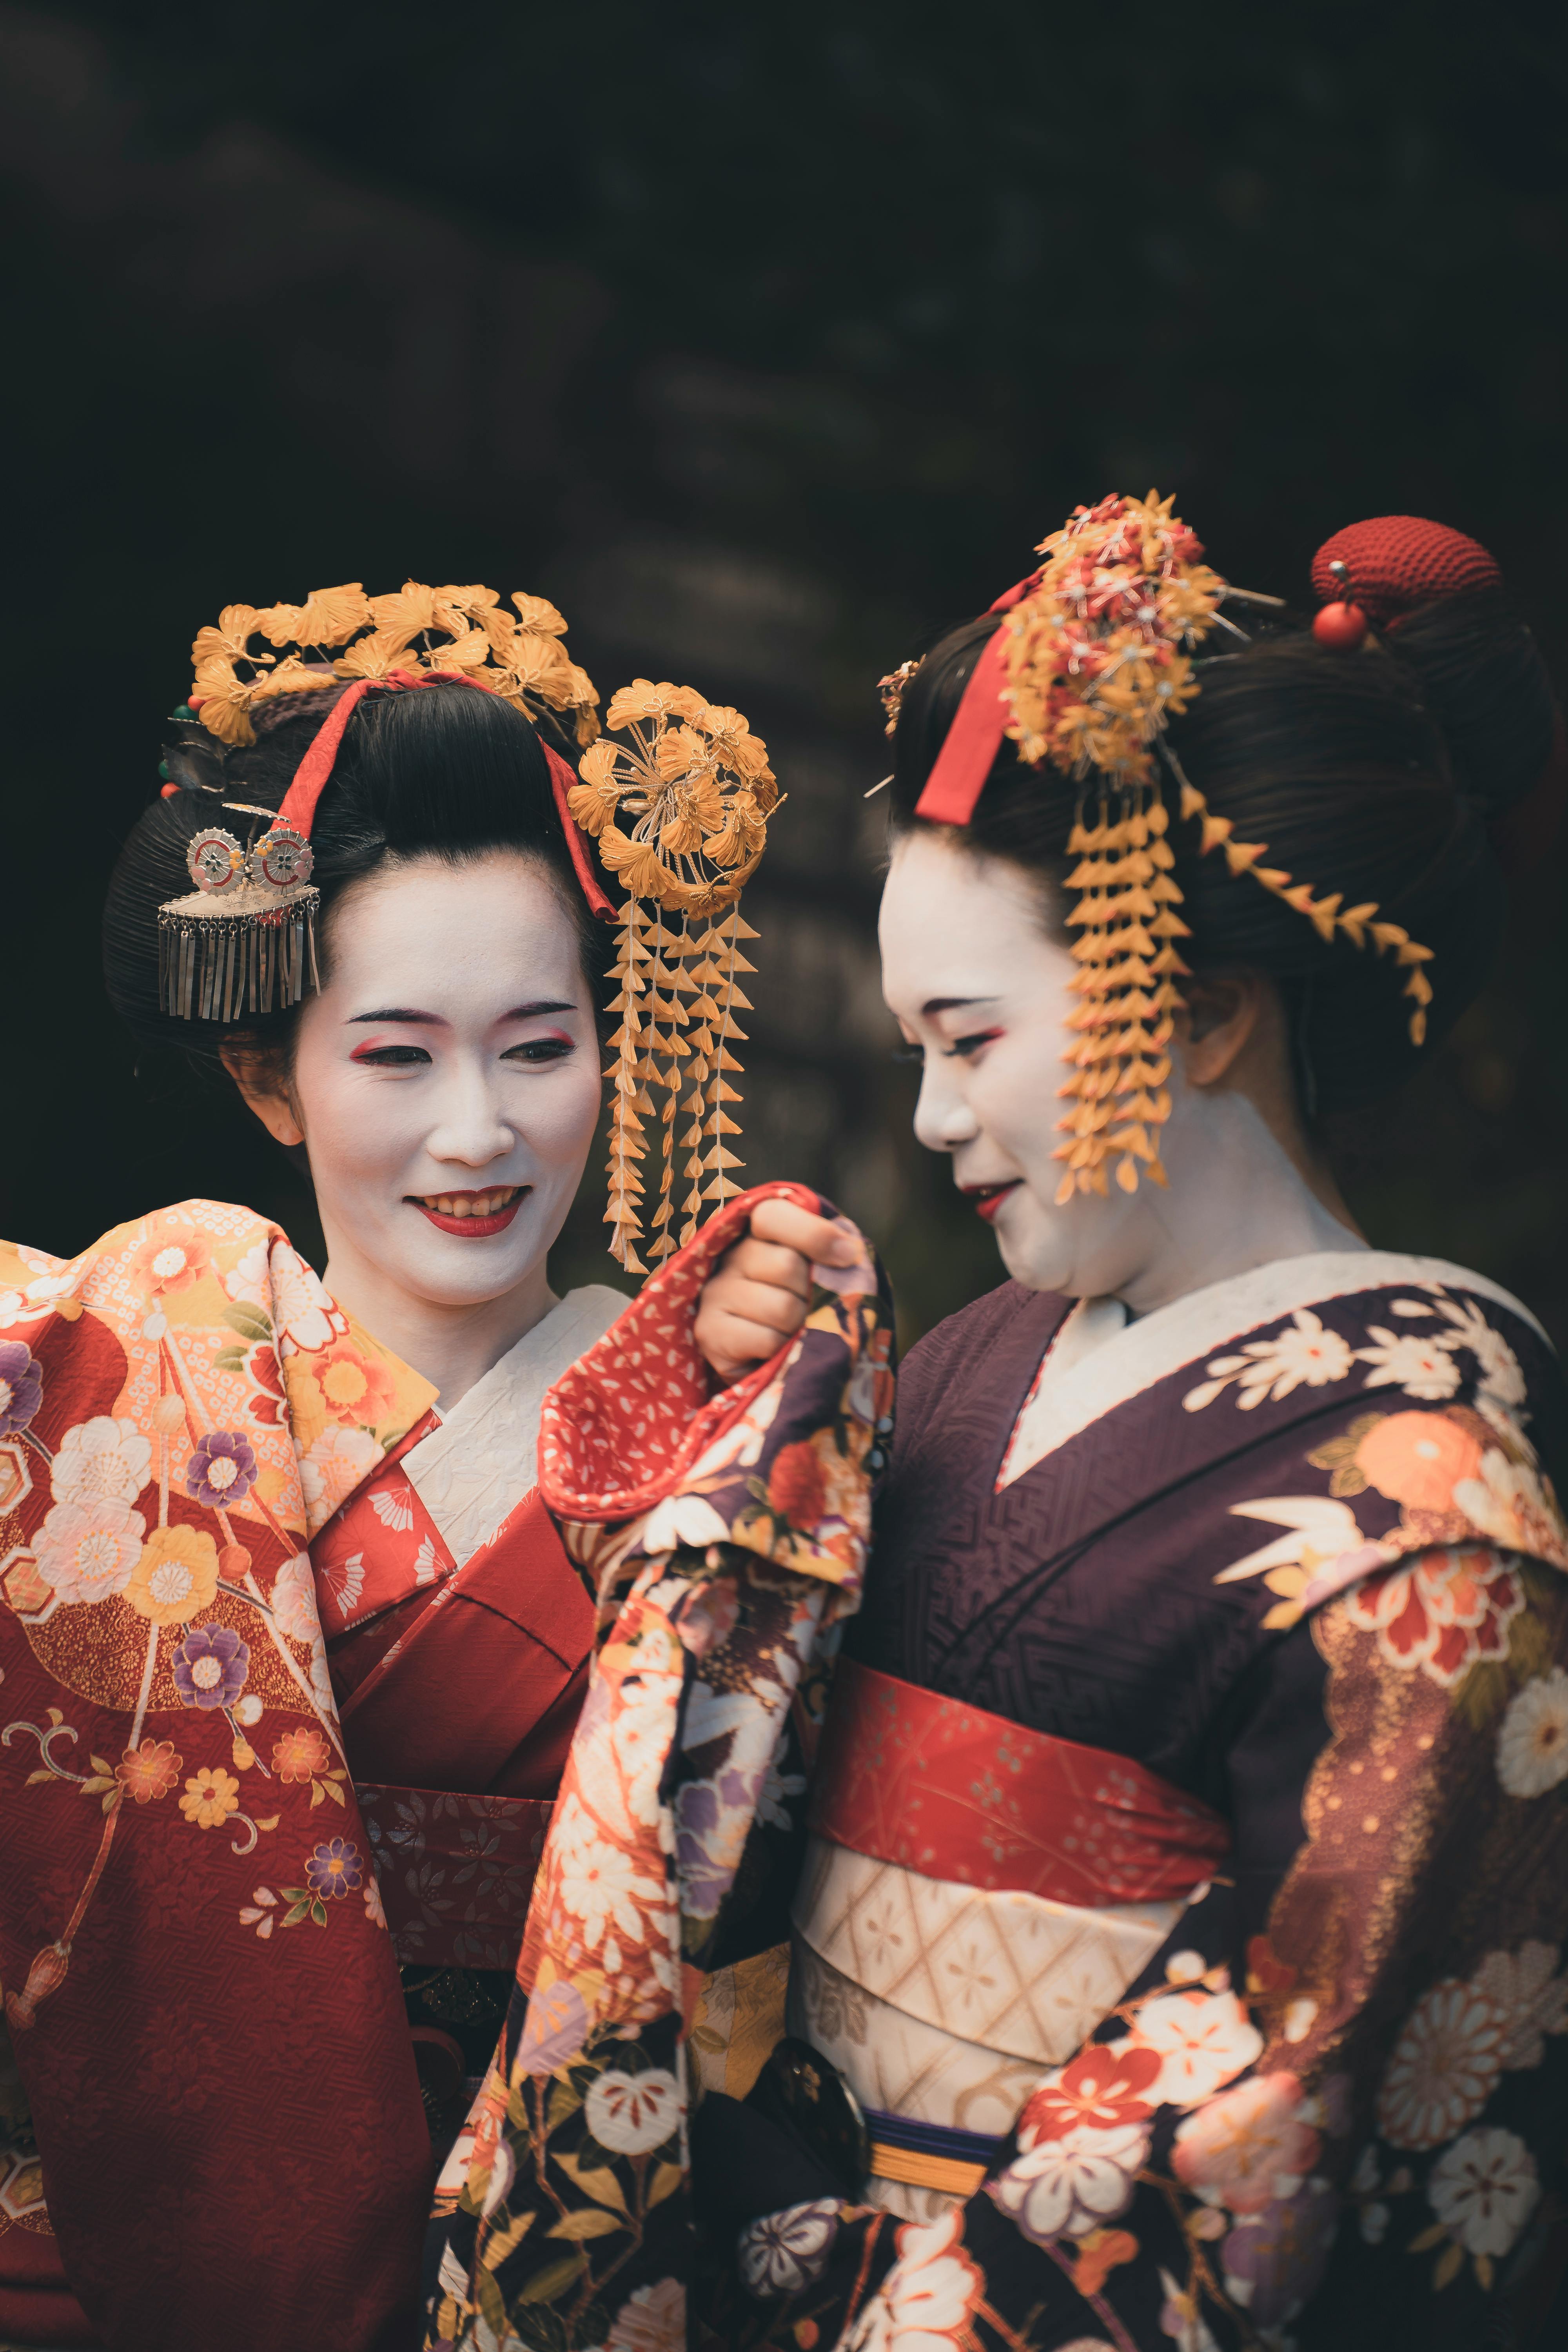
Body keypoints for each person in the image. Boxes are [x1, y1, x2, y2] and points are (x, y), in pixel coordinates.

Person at [689, 503, 1568, 2349]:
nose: (929, 1119)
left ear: (1214, 1008)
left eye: (969, 1038)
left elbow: (1287, 2088)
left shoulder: (1432, 1506)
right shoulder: (985, 1357)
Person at [0, 584, 870, 2352]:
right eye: (395, 1056)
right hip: (115, 2243)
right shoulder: (121, 1361)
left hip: (566, 2226)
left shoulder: (727, 1415)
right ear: (268, 1072)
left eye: (539, 1049)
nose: (477, 1130)